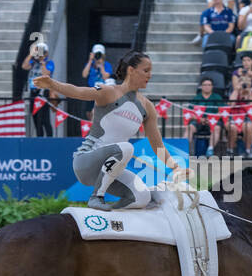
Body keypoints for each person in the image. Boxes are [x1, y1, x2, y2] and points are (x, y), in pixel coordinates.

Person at [37, 50, 184, 211]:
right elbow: (79, 92)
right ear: (131, 70)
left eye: (150, 71)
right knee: (127, 148)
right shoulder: (109, 92)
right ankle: (96, 197)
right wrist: (52, 84)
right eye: (146, 70)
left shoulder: (147, 107)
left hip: (110, 170)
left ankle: (111, 218)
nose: (149, 75)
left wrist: (175, 167)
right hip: (86, 162)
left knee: (142, 197)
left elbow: (157, 144)